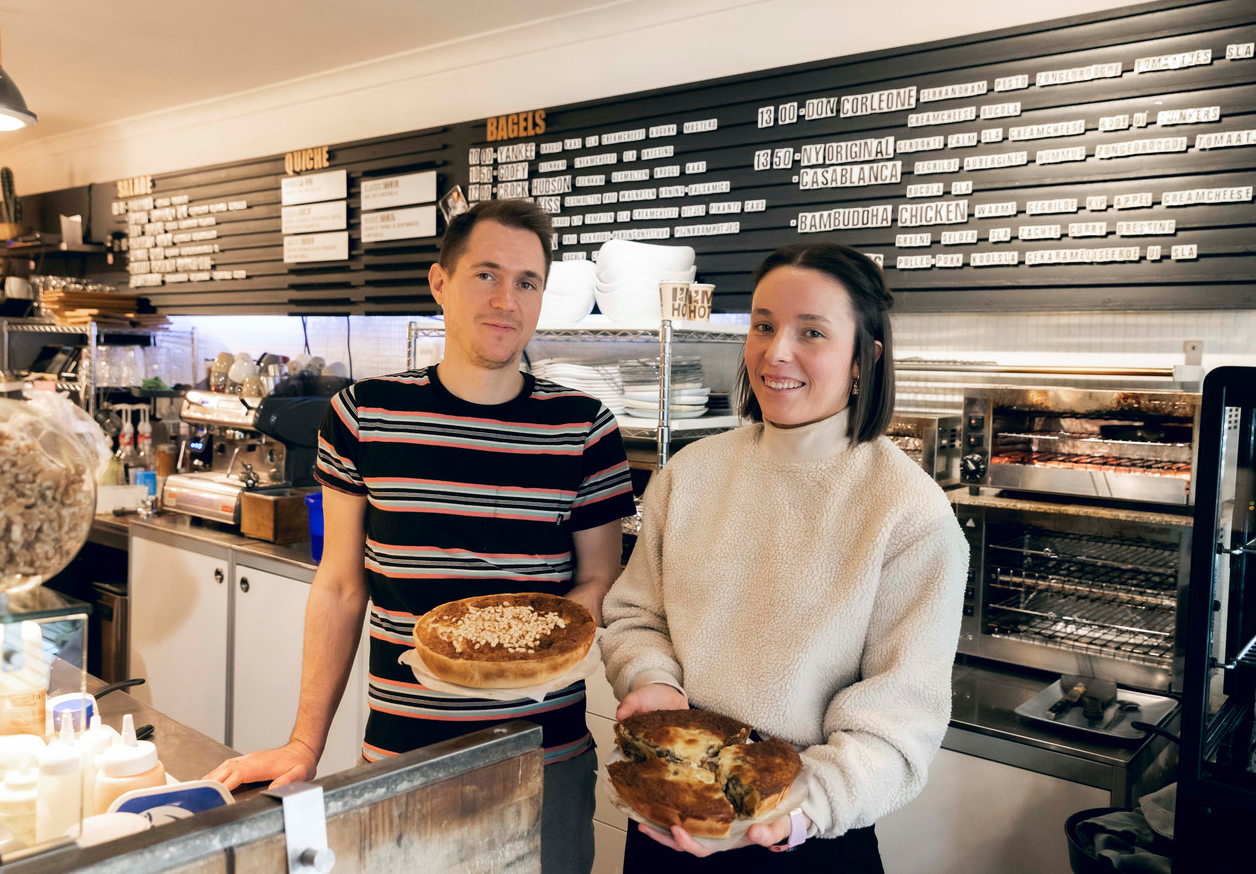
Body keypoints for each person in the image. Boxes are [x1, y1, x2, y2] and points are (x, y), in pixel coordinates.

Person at [207, 199, 636, 874]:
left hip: (542, 757)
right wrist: (302, 745)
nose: (506, 300)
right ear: (440, 283)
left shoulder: (583, 426)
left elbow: (599, 579)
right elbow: (343, 586)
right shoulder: (364, 416)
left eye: (526, 282)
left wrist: (512, 661)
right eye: (486, 275)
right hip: (402, 758)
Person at [601, 243, 969, 871]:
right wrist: (651, 680)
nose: (776, 352)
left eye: (812, 332)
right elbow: (637, 616)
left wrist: (799, 807)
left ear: (864, 358)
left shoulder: (908, 513)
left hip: (805, 839)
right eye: (764, 325)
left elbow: (897, 725)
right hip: (669, 809)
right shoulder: (690, 475)